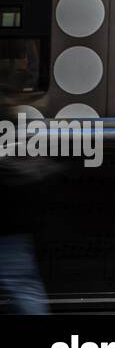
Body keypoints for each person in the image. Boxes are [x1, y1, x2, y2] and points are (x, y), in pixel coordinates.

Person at [0, 92, 51, 314]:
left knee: (21, 284)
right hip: (15, 218)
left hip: (7, 218)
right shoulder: (9, 114)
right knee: (23, 285)